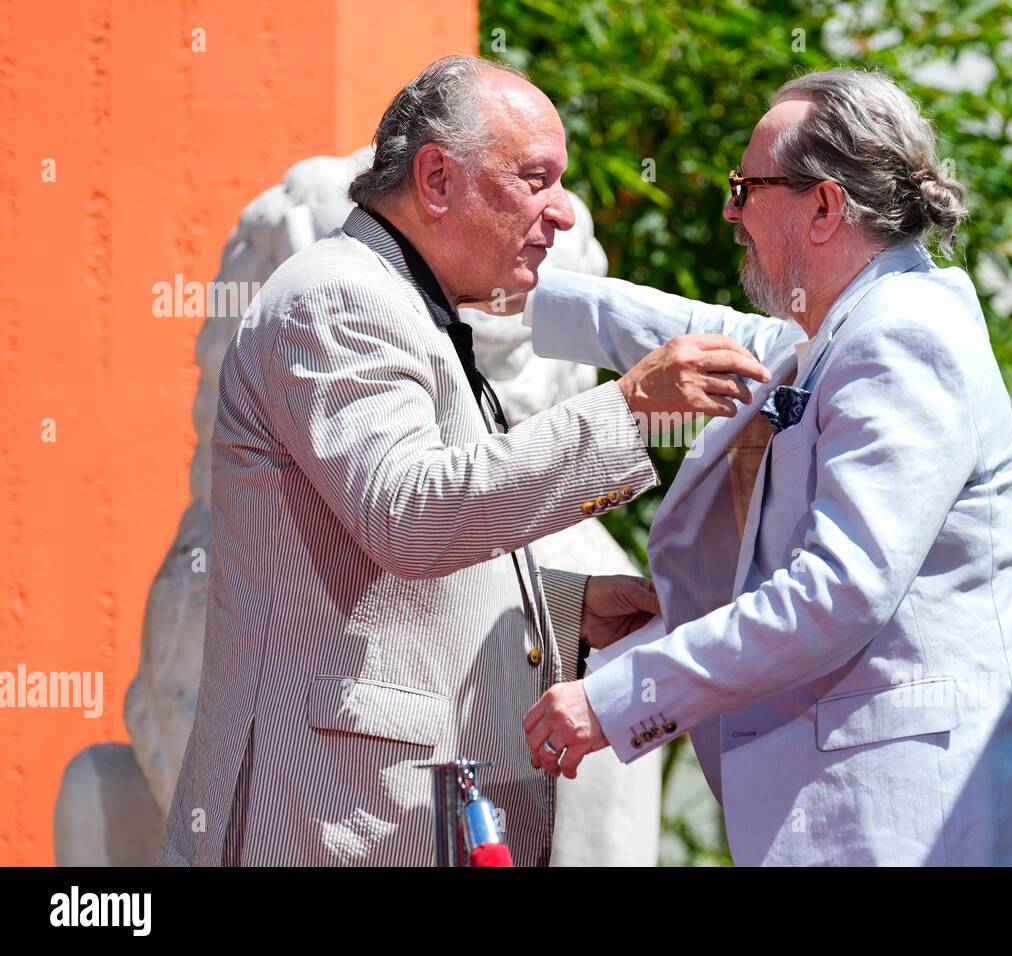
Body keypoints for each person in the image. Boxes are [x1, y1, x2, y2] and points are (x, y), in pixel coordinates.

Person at [157, 55, 768, 867]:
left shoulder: (409, 304)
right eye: (536, 180)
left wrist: (561, 609)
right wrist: (630, 409)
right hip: (328, 821)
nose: (562, 213)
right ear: (437, 180)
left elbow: (392, 557)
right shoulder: (338, 299)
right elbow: (409, 517)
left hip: (380, 814)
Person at [522, 68, 1012, 865]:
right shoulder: (849, 323)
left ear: (824, 207)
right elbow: (699, 333)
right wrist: (501, 289)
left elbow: (840, 591)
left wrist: (621, 698)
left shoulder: (899, 336)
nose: (730, 211)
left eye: (746, 188)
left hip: (913, 829)